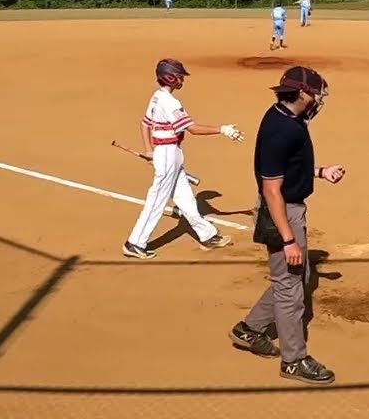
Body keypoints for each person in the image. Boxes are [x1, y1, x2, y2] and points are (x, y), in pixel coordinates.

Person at [230, 66, 343, 386]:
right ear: (303, 93)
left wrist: (320, 172)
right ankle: (293, 360)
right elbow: (271, 189)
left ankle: (249, 330)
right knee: (291, 289)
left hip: (286, 205)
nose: (319, 99)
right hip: (282, 212)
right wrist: (288, 239)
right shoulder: (284, 129)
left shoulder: (285, 118)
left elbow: (287, 169)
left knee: (294, 277)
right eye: (317, 93)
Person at [123, 59, 241, 259]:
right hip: (168, 153)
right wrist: (222, 129)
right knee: (156, 199)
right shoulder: (170, 103)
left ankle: (207, 235)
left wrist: (149, 150)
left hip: (168, 153)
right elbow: (193, 129)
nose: (182, 80)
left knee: (185, 198)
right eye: (179, 76)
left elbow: (145, 124)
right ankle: (135, 242)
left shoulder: (157, 96)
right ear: (171, 77)